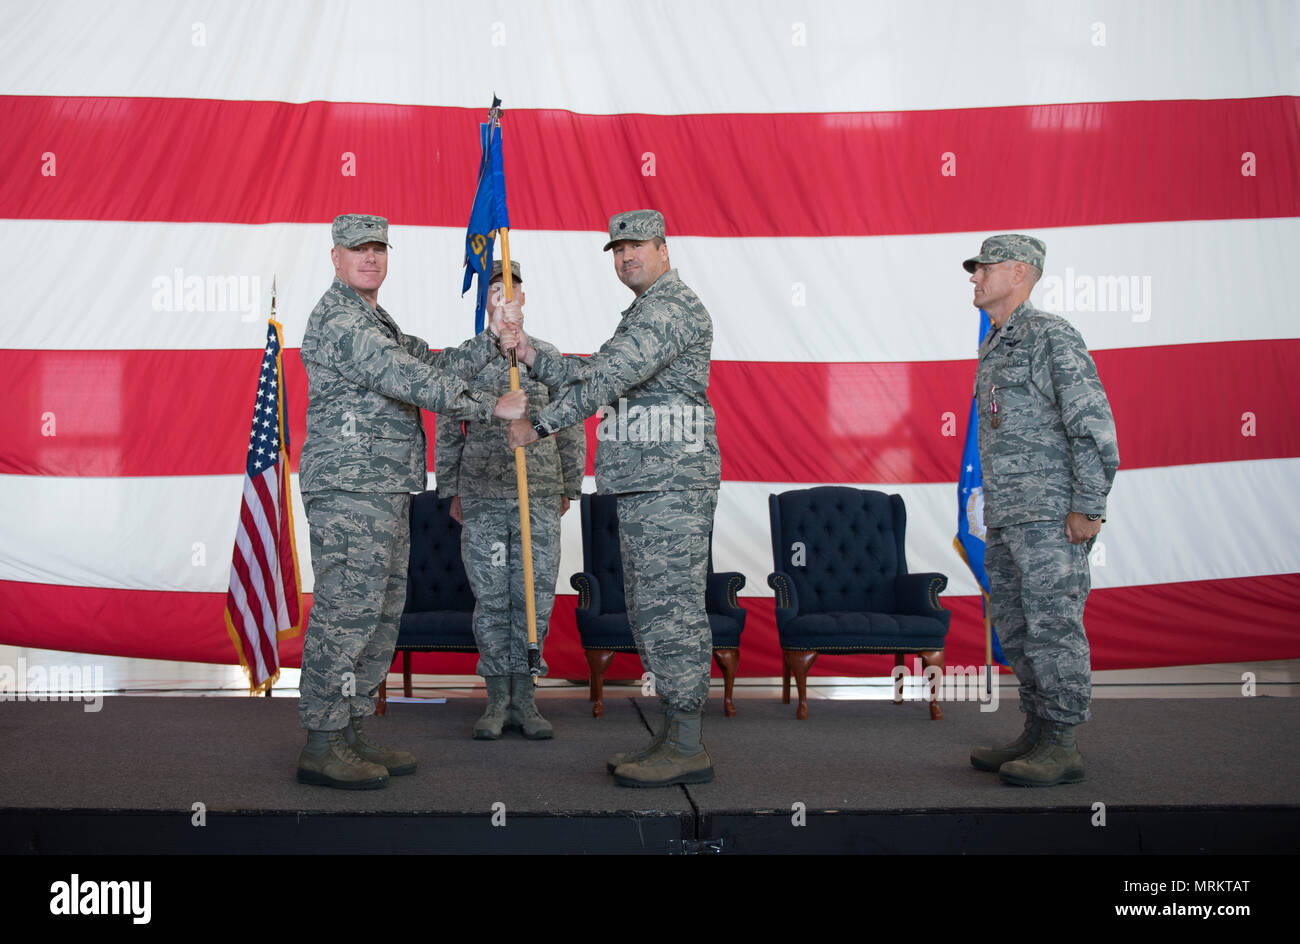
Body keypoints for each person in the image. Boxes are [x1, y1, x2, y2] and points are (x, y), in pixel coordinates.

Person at [296, 213, 527, 790]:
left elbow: (431, 362)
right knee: (346, 614)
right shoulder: (338, 320)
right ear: (335, 257)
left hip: (384, 487)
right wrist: (488, 404)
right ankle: (321, 742)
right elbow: (405, 377)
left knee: (378, 615)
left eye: (378, 248)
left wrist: (492, 342)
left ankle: (349, 728)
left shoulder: (379, 320)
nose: (369, 258)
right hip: (351, 488)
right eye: (357, 250)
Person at [506, 209, 721, 787]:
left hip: (671, 483)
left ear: (663, 249)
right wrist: (530, 355)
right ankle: (676, 734)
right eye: (618, 249)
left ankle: (688, 742)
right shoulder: (644, 312)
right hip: (648, 483)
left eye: (638, 247)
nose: (627, 257)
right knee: (654, 611)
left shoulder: (671, 308)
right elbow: (599, 371)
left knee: (672, 612)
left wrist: (539, 425)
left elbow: (605, 380)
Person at [964, 234, 1120, 787]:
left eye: (984, 268)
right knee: (1019, 626)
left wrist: (1088, 507)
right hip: (1009, 515)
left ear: (1020, 273)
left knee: (1054, 626)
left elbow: (1093, 426)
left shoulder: (1051, 335)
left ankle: (1062, 743)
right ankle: (1037, 728)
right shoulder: (996, 343)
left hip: (1053, 516)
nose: (974, 278)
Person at [436, 259, 585, 740]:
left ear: (523, 299)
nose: (505, 299)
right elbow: (445, 425)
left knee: (534, 598)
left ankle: (527, 698)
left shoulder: (545, 356)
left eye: (512, 291)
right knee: (491, 599)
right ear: (486, 301)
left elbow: (572, 417)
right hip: (481, 493)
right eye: (496, 290)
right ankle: (496, 700)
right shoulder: (467, 360)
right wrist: (451, 489)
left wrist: (569, 485)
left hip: (537, 493)